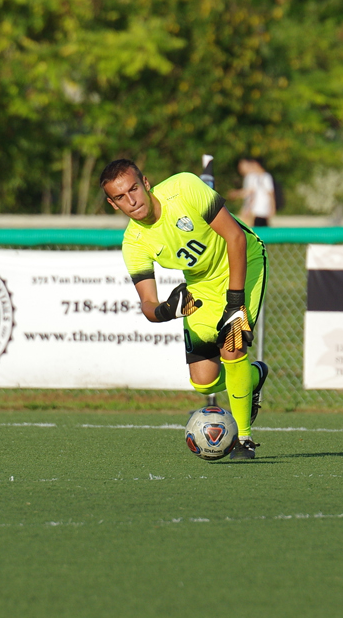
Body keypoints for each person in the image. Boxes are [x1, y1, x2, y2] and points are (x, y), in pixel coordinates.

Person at [100, 158, 270, 460]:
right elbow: (148, 304)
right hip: (200, 284)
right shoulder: (134, 243)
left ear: (146, 183)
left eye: (134, 189)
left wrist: (235, 304)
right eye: (120, 197)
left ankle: (243, 439)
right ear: (113, 204)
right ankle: (252, 377)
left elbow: (235, 237)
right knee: (203, 381)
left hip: (243, 264)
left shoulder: (185, 187)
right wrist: (167, 310)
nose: (131, 200)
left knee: (231, 347)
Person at [230, 156, 276, 228]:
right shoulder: (255, 177)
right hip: (255, 209)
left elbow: (269, 193)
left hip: (261, 209)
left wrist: (272, 207)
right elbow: (252, 193)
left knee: (259, 227)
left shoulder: (264, 177)